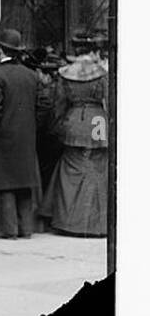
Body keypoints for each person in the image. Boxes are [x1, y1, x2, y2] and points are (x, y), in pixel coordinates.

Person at [0, 29, 47, 239]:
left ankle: (8, 229)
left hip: (2, 137)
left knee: (4, 183)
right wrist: (32, 126)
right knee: (23, 182)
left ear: (1, 51)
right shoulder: (31, 75)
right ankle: (26, 228)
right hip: (26, 136)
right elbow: (44, 105)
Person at [40, 42, 109, 237]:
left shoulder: (66, 74)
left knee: (71, 169)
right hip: (98, 120)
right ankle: (98, 224)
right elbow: (109, 101)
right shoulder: (102, 73)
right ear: (92, 52)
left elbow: (59, 104)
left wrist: (57, 126)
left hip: (74, 120)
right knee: (98, 167)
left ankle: (69, 221)